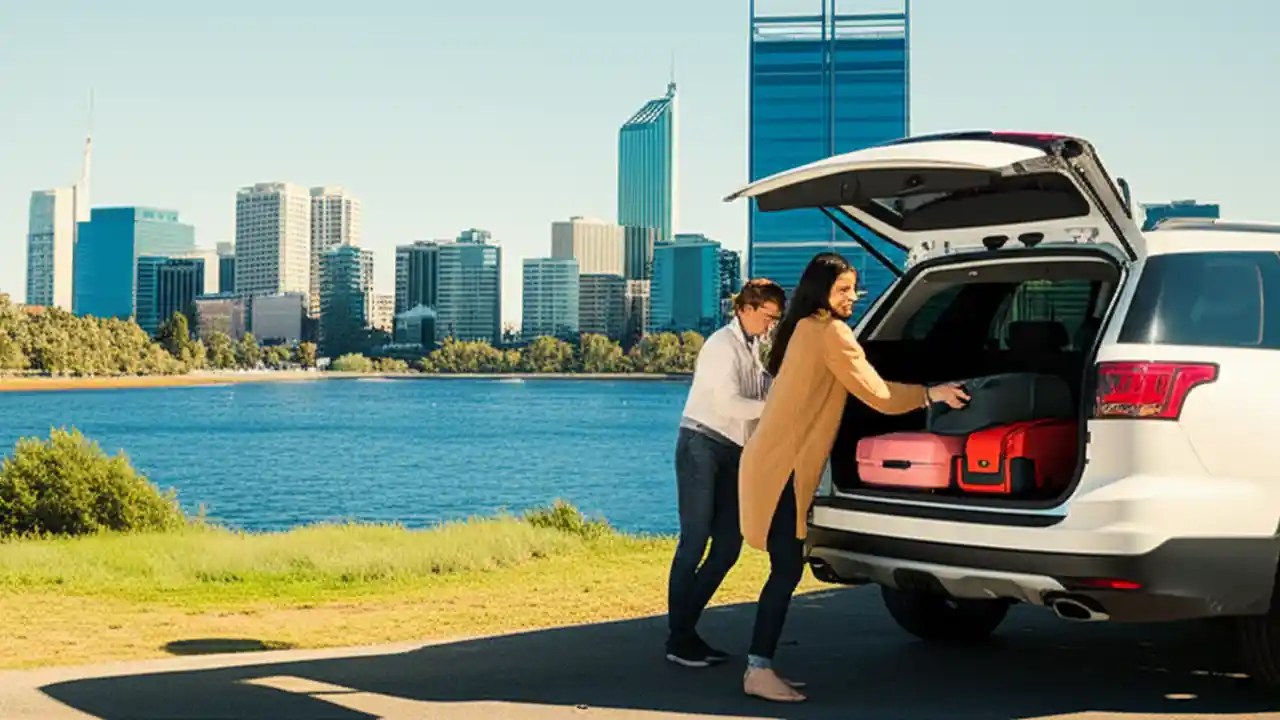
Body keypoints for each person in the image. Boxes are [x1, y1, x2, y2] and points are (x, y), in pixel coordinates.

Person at [737, 254, 969, 702]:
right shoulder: (831, 333)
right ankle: (758, 669)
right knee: (785, 571)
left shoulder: (801, 327)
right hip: (783, 469)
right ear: (820, 291)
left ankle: (759, 667)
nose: (852, 298)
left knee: (783, 569)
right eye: (843, 290)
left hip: (767, 463)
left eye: (853, 289)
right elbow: (878, 395)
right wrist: (930, 393)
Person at [666, 278, 787, 668]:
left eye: (776, 320)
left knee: (728, 546)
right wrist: (775, 406)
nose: (770, 326)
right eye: (767, 317)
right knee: (695, 540)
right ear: (745, 309)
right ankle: (680, 638)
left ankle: (683, 632)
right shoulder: (721, 345)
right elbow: (729, 403)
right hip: (701, 445)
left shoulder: (754, 347)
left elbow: (759, 399)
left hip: (733, 451)